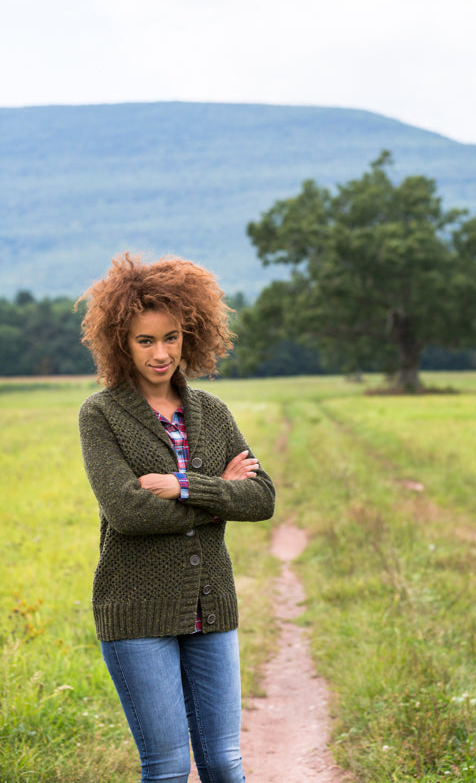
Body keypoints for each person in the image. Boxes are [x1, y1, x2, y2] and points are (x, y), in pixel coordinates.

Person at [76, 253, 275, 783]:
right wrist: (220, 493)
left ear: (191, 336)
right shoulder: (101, 414)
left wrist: (183, 486)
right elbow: (128, 512)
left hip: (211, 609)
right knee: (166, 768)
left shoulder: (212, 412)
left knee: (224, 764)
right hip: (136, 613)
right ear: (121, 343)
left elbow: (261, 498)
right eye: (145, 341)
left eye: (171, 338)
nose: (160, 353)